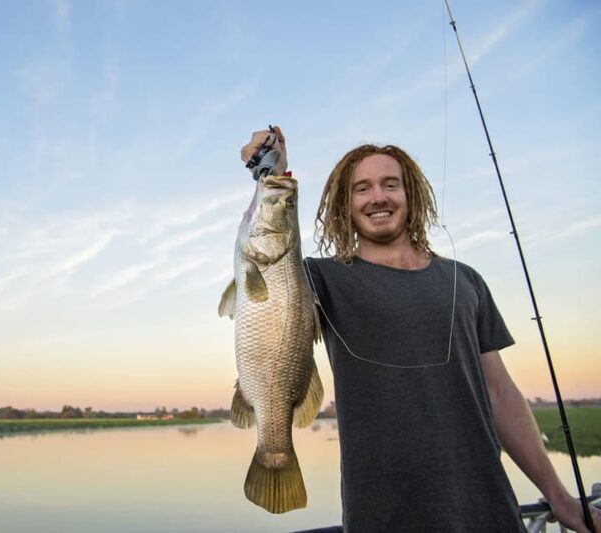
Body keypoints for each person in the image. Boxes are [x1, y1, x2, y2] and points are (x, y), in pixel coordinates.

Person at [240, 127, 601, 532]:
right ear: (345, 204)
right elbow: (270, 263)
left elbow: (500, 392)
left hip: (490, 511)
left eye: (389, 184)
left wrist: (558, 496)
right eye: (362, 189)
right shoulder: (318, 279)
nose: (378, 196)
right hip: (382, 516)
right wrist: (273, 175)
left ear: (410, 195)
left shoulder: (466, 281)